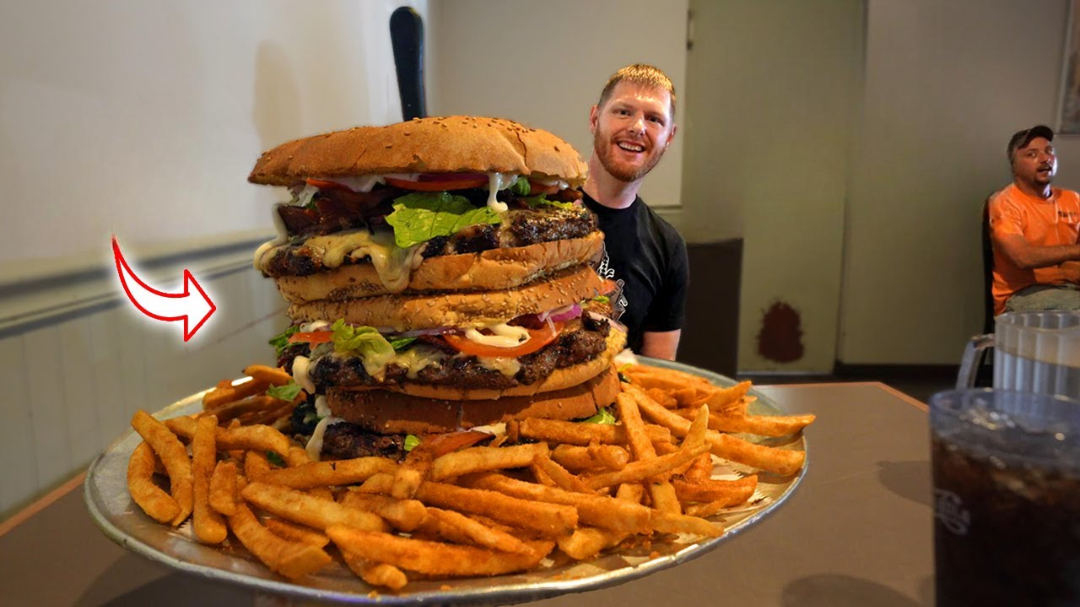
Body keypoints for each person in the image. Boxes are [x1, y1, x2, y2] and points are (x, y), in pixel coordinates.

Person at [583, 64, 688, 360]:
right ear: (594, 119)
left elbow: (659, 371)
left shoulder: (669, 247)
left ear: (669, 136)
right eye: (623, 112)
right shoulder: (538, 216)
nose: (637, 127)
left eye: (654, 119)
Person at [988, 125, 1080, 315]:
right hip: (1022, 294)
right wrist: (1074, 254)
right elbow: (1023, 257)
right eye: (1032, 154)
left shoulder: (1073, 199)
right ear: (1014, 166)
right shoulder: (1004, 203)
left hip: (1067, 287)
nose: (1046, 158)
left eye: (1049, 151)